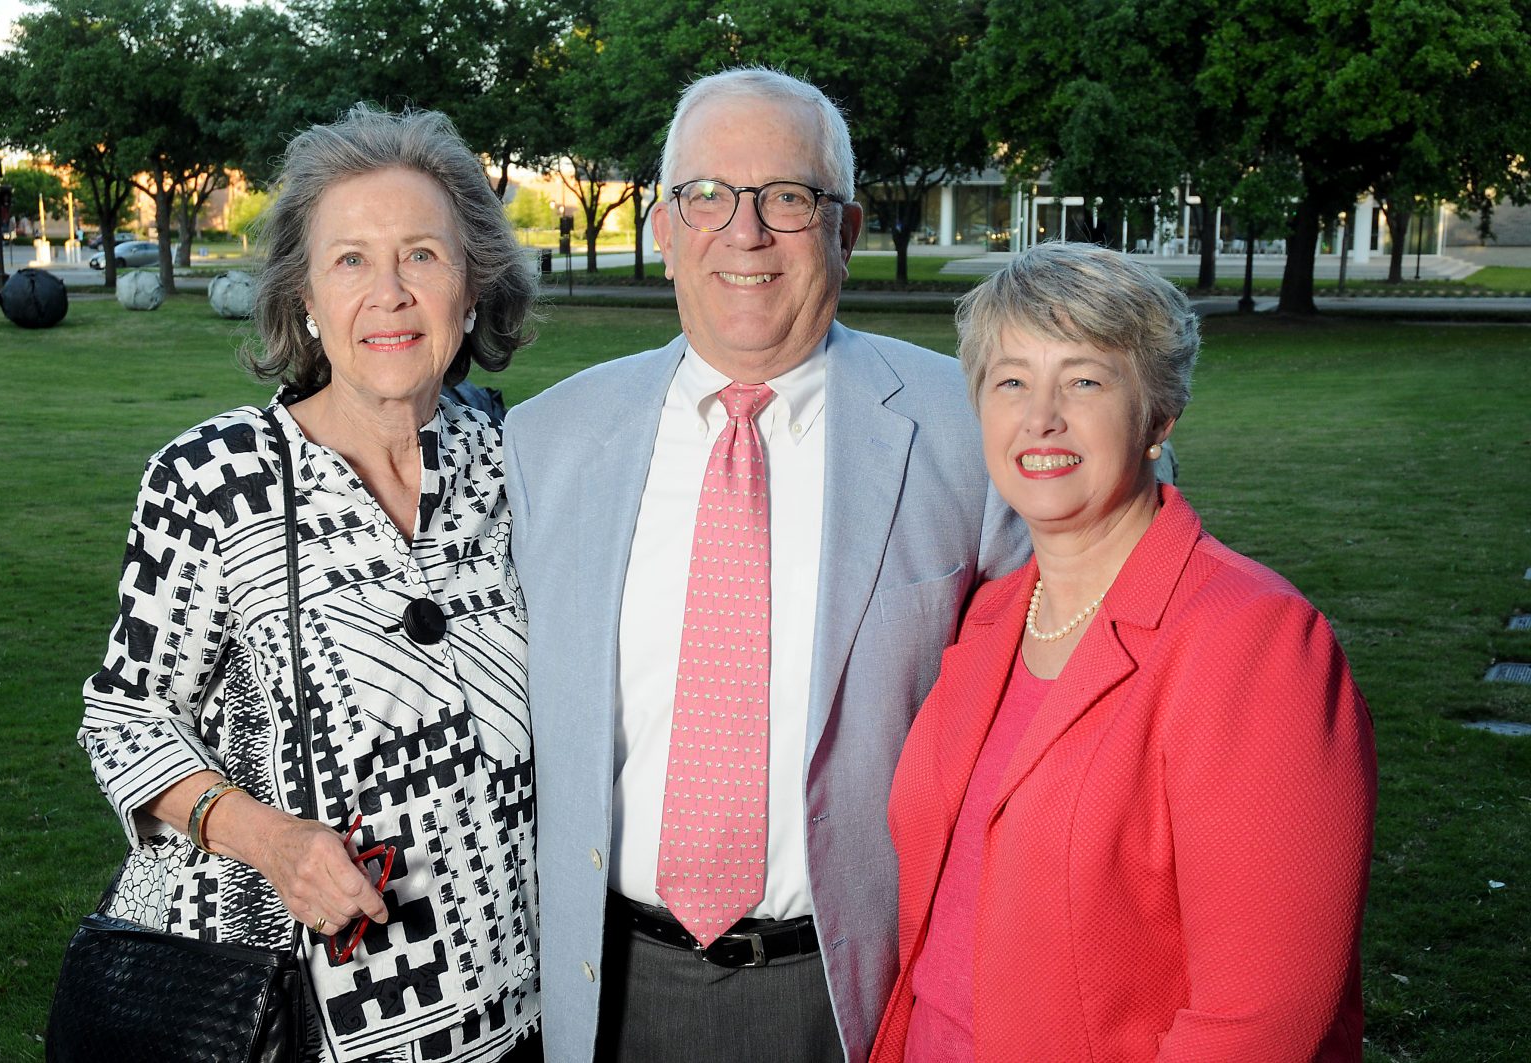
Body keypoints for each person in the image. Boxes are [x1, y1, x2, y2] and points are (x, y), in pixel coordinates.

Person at [503, 68, 1029, 1063]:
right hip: (613, 992)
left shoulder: (968, 430)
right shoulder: (546, 443)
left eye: (789, 197)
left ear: (848, 227)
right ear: (662, 226)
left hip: (855, 991)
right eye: (706, 195)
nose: (743, 234)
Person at [78, 104, 541, 1063]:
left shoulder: (519, 464)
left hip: (514, 1007)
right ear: (303, 300)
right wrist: (269, 840)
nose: (391, 293)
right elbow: (122, 718)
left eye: (422, 254)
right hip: (282, 1012)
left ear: (473, 285)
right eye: (351, 260)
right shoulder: (214, 478)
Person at [871, 242, 1377, 1062]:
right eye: (1011, 381)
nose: (1042, 416)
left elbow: (1261, 1020)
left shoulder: (1255, 642)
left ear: (1158, 415)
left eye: (1085, 380)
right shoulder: (991, 617)